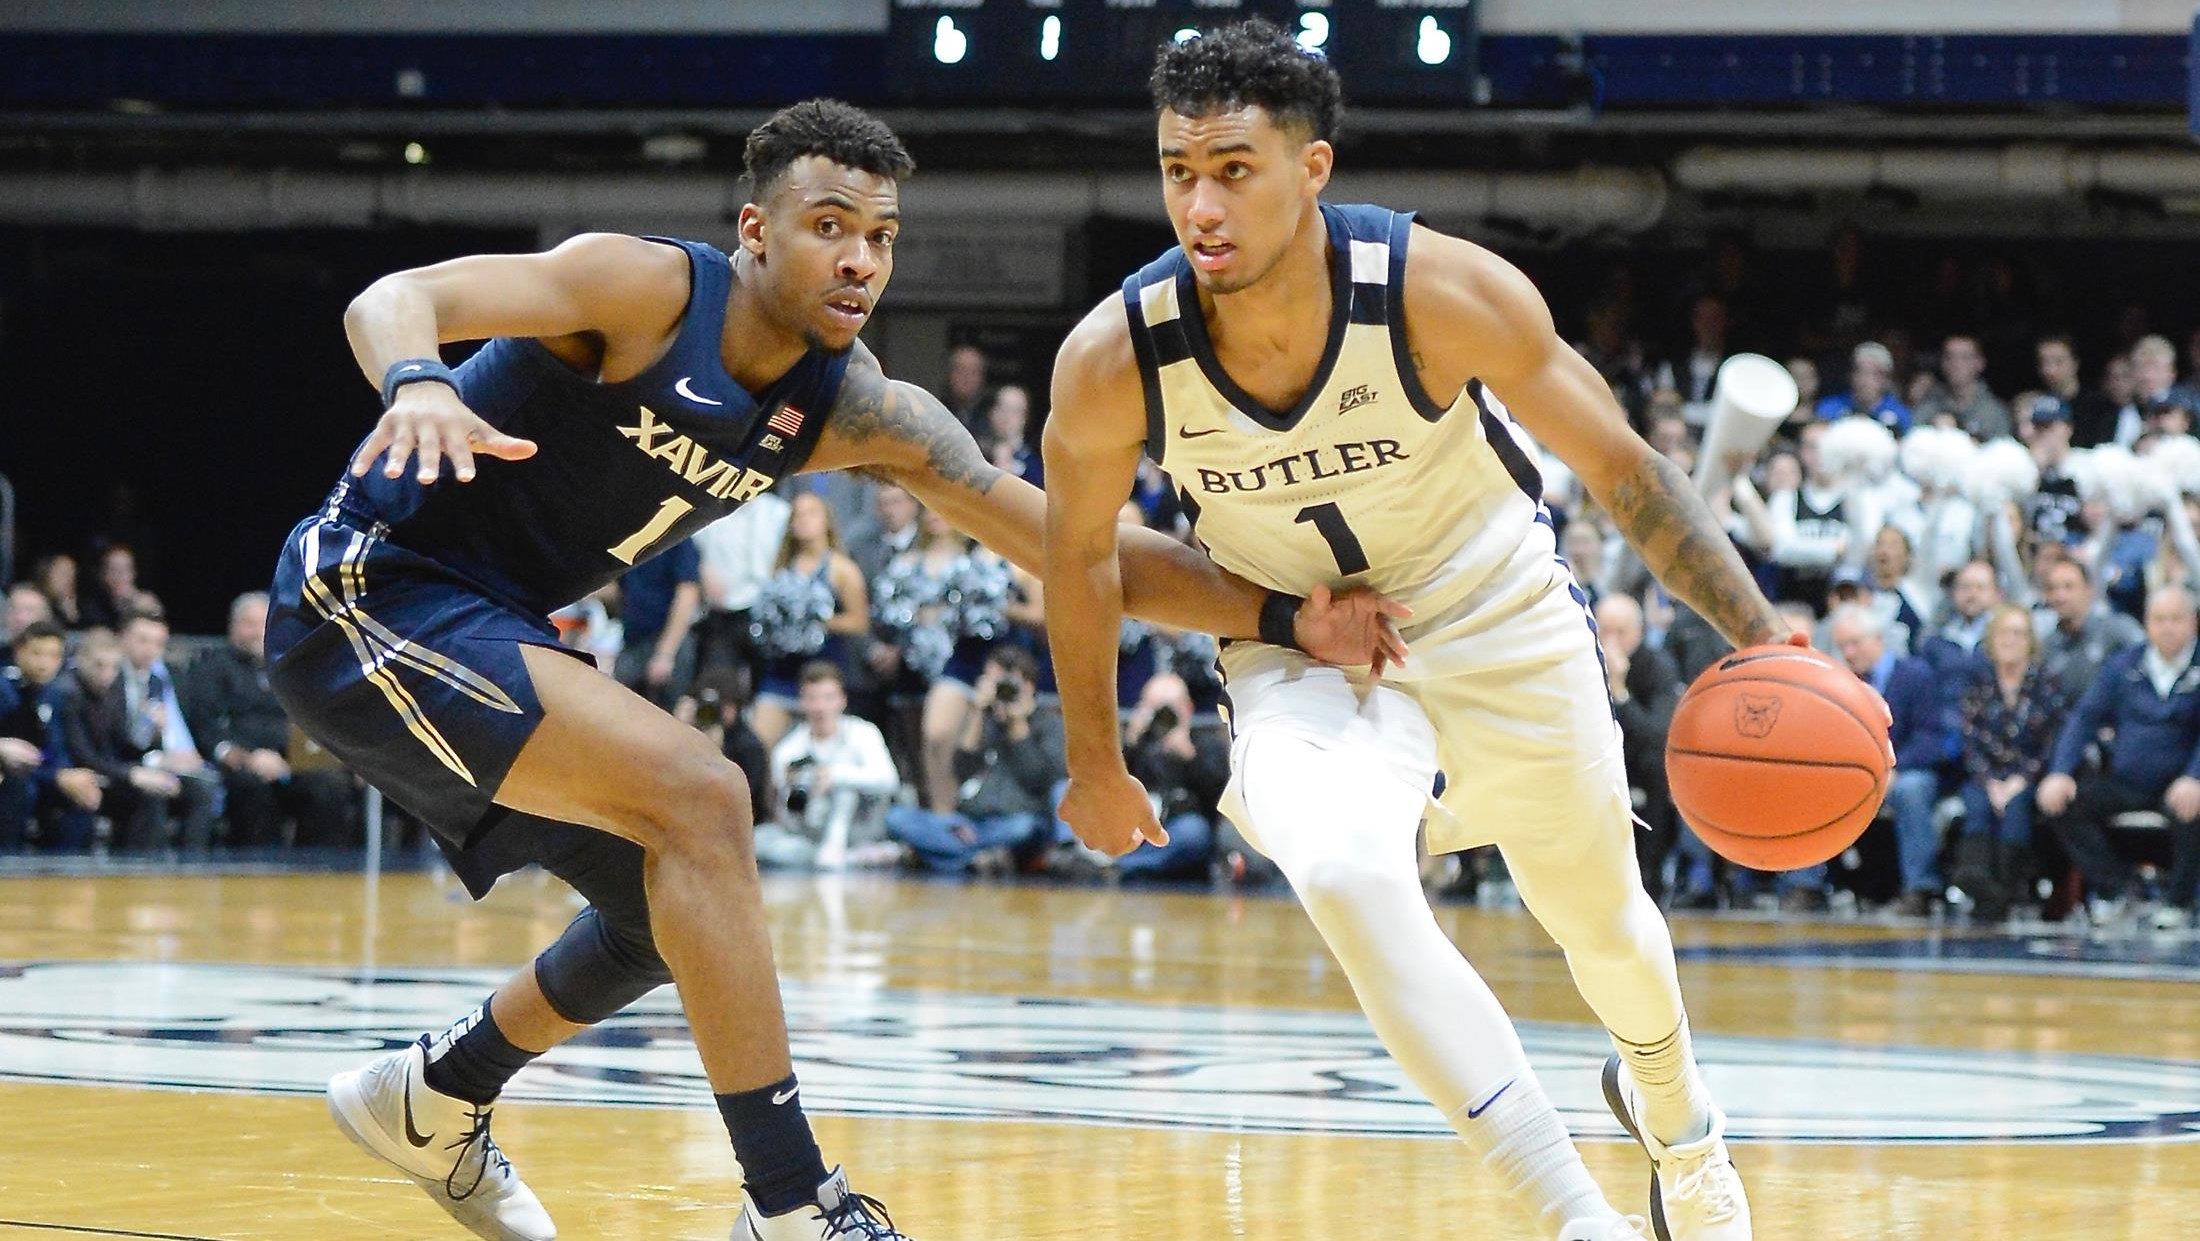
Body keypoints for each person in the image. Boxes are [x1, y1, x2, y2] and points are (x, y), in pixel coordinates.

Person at [278, 98, 1403, 1241]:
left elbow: (1073, 543)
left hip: (491, 624)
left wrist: (1281, 613)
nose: (860, 259)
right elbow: (394, 297)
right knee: (705, 797)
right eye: (829, 226)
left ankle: (433, 1093)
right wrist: (418, 381)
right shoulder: (646, 291)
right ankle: (794, 1203)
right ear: (755, 231)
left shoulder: (855, 408)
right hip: (366, 587)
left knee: (665, 910)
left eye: (881, 236)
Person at [1039, 23, 1796, 1241]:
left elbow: (1622, 467)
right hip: (1298, 648)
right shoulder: (1113, 358)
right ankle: (1576, 1217)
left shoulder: (1438, 290)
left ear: (1313, 168)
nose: (1200, 205)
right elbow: (1078, 556)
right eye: (1178, 171)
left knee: (1600, 919)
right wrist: (1094, 756)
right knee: (1343, 870)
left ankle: (1680, 1118)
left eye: (1232, 169)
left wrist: (1764, 637)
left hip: (1494, 603)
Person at [2036, 585, 2200, 928]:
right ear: (2146, 623)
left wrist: (2194, 777)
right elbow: (2084, 718)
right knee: (2062, 804)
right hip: (2129, 779)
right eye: (2159, 619)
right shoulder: (2124, 665)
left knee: (2192, 807)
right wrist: (2060, 771)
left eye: (2176, 619)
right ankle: (2118, 887)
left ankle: (2180, 901)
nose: (2167, 627)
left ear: (2193, 623)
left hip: (2182, 779)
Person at [180, 591, 355, 848]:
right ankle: (255, 865)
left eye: (263, 624)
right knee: (252, 790)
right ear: (233, 626)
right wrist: (245, 758)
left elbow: (303, 719)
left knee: (329, 786)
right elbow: (205, 725)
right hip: (239, 762)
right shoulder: (212, 667)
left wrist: (294, 760)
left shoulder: (287, 668)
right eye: (249, 624)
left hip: (288, 761)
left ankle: (316, 865)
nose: (257, 632)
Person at [884, 646, 1062, 874]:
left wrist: (1017, 725)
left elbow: (1038, 780)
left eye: (1004, 684)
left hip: (1016, 821)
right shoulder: (984, 721)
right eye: (991, 681)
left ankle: (940, 857)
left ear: (1027, 686)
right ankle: (977, 859)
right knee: (896, 818)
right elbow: (961, 770)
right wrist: (977, 711)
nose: (998, 690)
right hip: (969, 824)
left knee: (1024, 828)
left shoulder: (1048, 724)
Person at [1952, 605, 2071, 922]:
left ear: (2030, 641)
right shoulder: (1979, 685)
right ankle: (1976, 878)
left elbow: (2053, 741)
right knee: (1977, 803)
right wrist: (1990, 781)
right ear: (1992, 640)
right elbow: (1970, 740)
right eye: (2004, 633)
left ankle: (2007, 886)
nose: (2011, 640)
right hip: (1986, 776)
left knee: (2017, 807)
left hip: (2029, 775)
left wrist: (2022, 779)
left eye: (2019, 633)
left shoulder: (2047, 684)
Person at [747, 491, 869, 746]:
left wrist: (815, 623)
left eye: (811, 513)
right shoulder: (782, 565)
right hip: (782, 671)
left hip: (823, 674)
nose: (803, 520)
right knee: (759, 743)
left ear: (827, 521)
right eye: (798, 515)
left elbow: (859, 621)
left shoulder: (842, 569)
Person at [761, 662, 899, 870]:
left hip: (860, 825)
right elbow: (786, 811)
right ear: (802, 702)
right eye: (812, 699)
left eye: (828, 698)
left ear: (842, 700)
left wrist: (835, 776)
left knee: (844, 789)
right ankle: (850, 858)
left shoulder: (864, 732)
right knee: (760, 840)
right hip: (811, 830)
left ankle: (836, 853)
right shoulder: (788, 750)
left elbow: (889, 780)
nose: (820, 707)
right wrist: (799, 787)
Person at [609, 535, 703, 710]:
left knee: (669, 712)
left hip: (668, 641)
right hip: (633, 640)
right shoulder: (630, 539)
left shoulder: (678, 538)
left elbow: (687, 593)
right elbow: (619, 590)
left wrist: (665, 653)